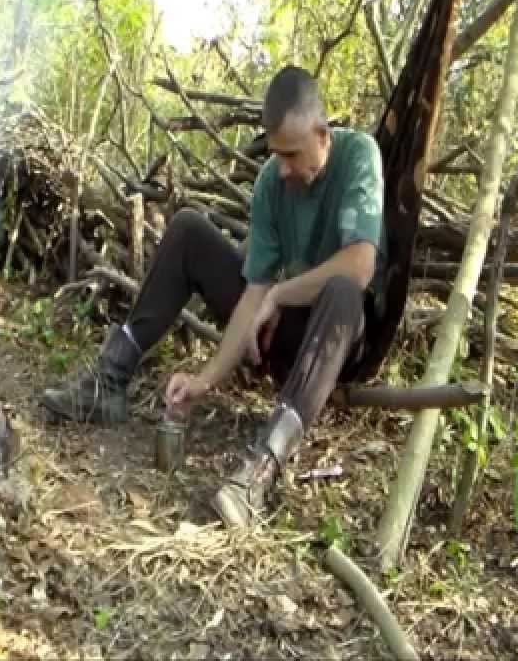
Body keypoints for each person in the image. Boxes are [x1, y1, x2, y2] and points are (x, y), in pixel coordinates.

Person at [39, 65, 386, 528]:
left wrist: (281, 294)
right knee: (188, 229)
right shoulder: (271, 181)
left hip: (339, 341)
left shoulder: (359, 155)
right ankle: (109, 381)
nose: (282, 168)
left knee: (342, 289)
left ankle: (262, 468)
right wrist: (205, 380)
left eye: (292, 154)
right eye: (275, 154)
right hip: (284, 337)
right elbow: (252, 294)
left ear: (322, 135)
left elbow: (360, 265)